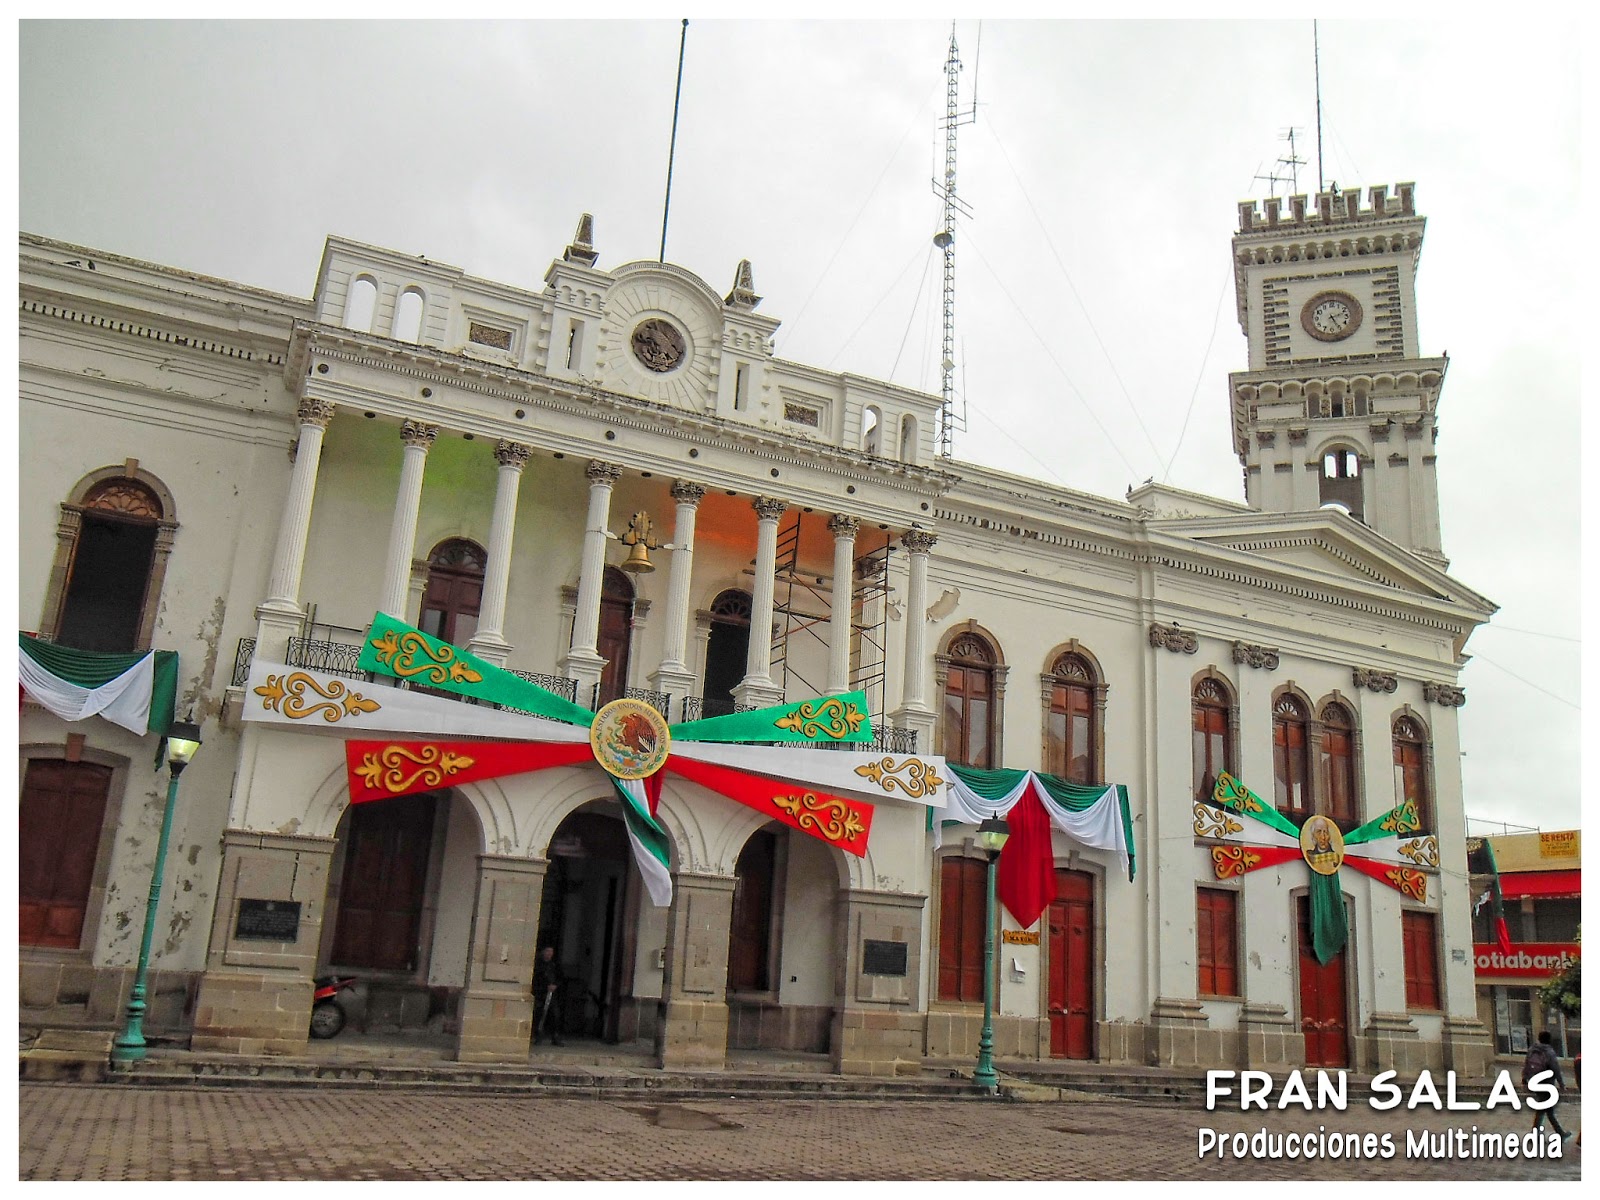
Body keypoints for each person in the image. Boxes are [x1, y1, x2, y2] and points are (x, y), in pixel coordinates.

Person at [1522, 1030, 1572, 1140]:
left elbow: (1526, 1066)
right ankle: (1555, 1134)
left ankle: (1558, 1133)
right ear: (1549, 1040)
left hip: (1535, 1082)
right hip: (1547, 1084)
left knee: (1546, 1109)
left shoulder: (1532, 1050)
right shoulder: (1549, 1052)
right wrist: (1561, 1084)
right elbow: (1556, 1069)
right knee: (1546, 1109)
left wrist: (1524, 1080)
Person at [531, 945, 564, 1046]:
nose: (549, 954)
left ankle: (555, 1037)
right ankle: (538, 1036)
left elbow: (560, 977)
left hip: (551, 995)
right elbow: (536, 979)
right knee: (539, 1015)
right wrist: (545, 986)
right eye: (547, 951)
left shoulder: (554, 965)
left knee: (555, 1015)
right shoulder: (538, 965)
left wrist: (555, 985)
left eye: (551, 952)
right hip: (541, 993)